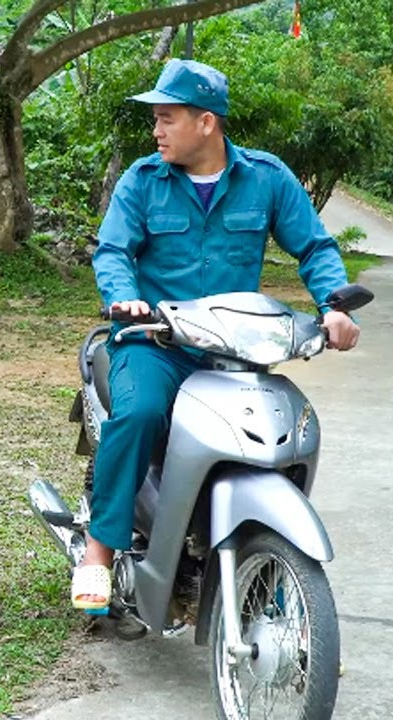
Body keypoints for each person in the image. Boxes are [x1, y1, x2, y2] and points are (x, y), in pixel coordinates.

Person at [75, 59, 361, 609]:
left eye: (166, 119)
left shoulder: (266, 178)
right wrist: (123, 299)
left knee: (276, 435)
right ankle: (99, 553)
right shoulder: (142, 181)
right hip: (155, 344)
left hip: (232, 354)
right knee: (137, 416)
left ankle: (261, 552)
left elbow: (316, 248)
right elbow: (113, 252)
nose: (155, 130)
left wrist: (334, 306)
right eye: (155, 119)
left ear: (206, 122)